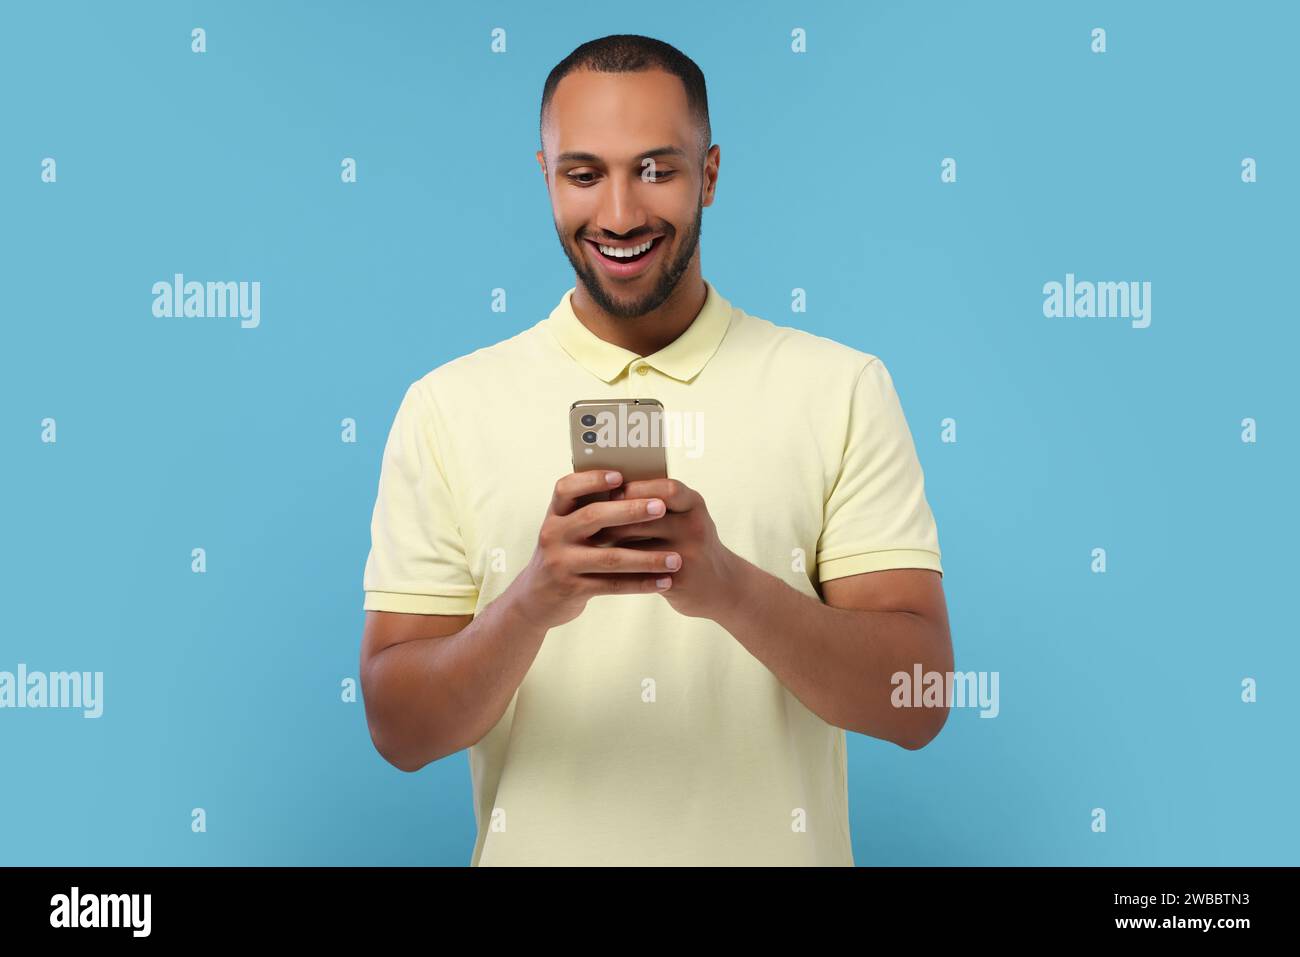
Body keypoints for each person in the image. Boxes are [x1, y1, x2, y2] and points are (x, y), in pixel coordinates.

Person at [360, 34, 952, 866]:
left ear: (709, 173)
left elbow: (917, 700)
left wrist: (729, 587)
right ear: (545, 176)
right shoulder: (445, 408)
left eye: (655, 169)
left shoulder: (841, 388)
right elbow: (398, 728)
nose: (621, 214)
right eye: (584, 173)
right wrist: (534, 599)